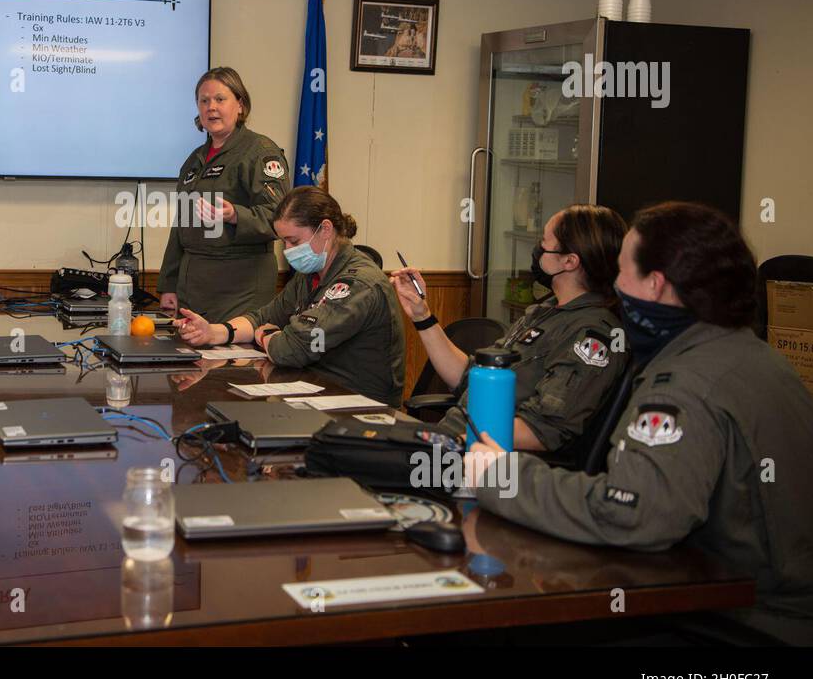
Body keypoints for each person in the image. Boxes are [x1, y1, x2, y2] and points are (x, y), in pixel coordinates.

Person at [466, 201, 813, 645]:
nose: (614, 284)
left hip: (750, 622)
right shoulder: (754, 356)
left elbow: (629, 512)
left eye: (621, 270)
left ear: (655, 284)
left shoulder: (685, 386)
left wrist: (504, 477)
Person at [393, 204, 629, 456]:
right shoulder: (546, 310)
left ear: (569, 261)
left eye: (544, 243)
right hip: (453, 443)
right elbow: (469, 377)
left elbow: (544, 430)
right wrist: (422, 315)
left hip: (483, 462)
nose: (537, 249)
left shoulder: (592, 334)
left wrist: (448, 443)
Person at [176, 187, 405, 405]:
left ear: (325, 229)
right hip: (315, 390)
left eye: (294, 241)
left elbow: (292, 350)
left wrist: (266, 335)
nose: (287, 250)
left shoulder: (357, 284)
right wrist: (213, 332)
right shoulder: (310, 273)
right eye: (283, 241)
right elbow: (267, 315)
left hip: (359, 405)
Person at [158, 67, 291, 323]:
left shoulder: (260, 152)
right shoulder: (194, 160)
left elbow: (280, 217)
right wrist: (169, 284)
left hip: (239, 292)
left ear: (240, 105)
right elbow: (181, 228)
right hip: (193, 292)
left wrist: (235, 215)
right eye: (204, 100)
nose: (211, 107)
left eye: (220, 99)